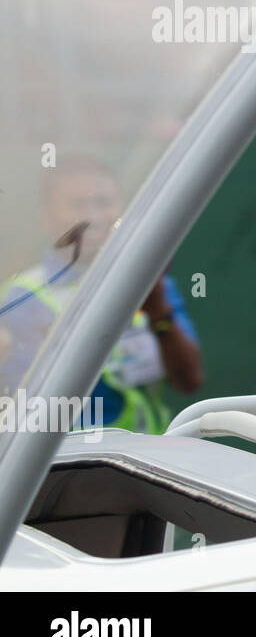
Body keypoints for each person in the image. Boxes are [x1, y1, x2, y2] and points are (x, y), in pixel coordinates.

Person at [0, 155, 203, 433]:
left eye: (103, 202)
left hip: (152, 460)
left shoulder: (149, 280)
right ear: (46, 216)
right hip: (72, 466)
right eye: (77, 204)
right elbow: (23, 410)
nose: (92, 216)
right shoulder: (22, 298)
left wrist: (159, 314)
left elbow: (189, 381)